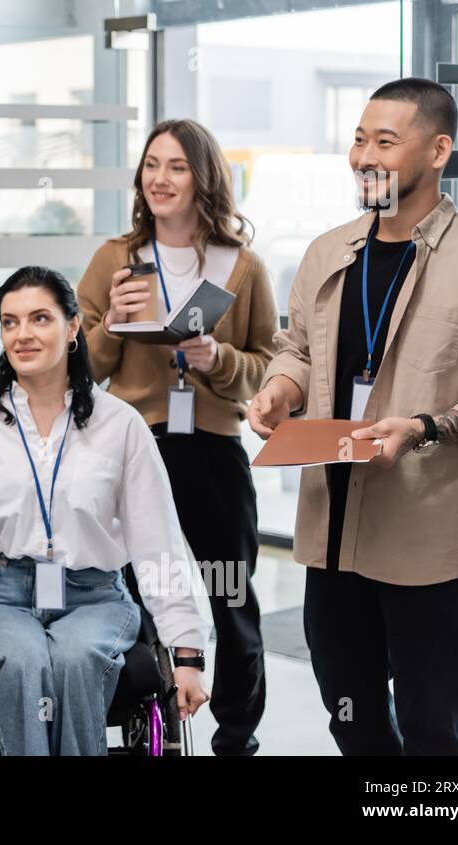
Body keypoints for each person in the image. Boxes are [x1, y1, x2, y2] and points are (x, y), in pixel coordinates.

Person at [248, 77, 458, 755]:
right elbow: (297, 348)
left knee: (435, 727)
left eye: (386, 140)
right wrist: (280, 390)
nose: (364, 155)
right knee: (350, 714)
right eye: (359, 138)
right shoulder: (328, 253)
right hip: (334, 532)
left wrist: (426, 426)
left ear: (438, 150)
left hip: (430, 540)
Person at [0, 265, 211, 756]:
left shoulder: (120, 425)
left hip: (95, 596)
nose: (22, 334)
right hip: (2, 596)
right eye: (9, 321)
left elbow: (158, 540)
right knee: (22, 659)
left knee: (77, 658)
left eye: (39, 318)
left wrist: (187, 653)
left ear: (72, 328)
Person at [77, 118, 277, 755]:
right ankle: (146, 726)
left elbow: (269, 368)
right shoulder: (116, 259)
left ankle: (237, 736)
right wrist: (110, 323)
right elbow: (83, 367)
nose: (159, 179)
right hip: (133, 445)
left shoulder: (242, 268)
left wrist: (217, 359)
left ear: (204, 178)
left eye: (177, 167)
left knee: (230, 595)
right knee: (134, 595)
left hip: (214, 449)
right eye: (152, 165)